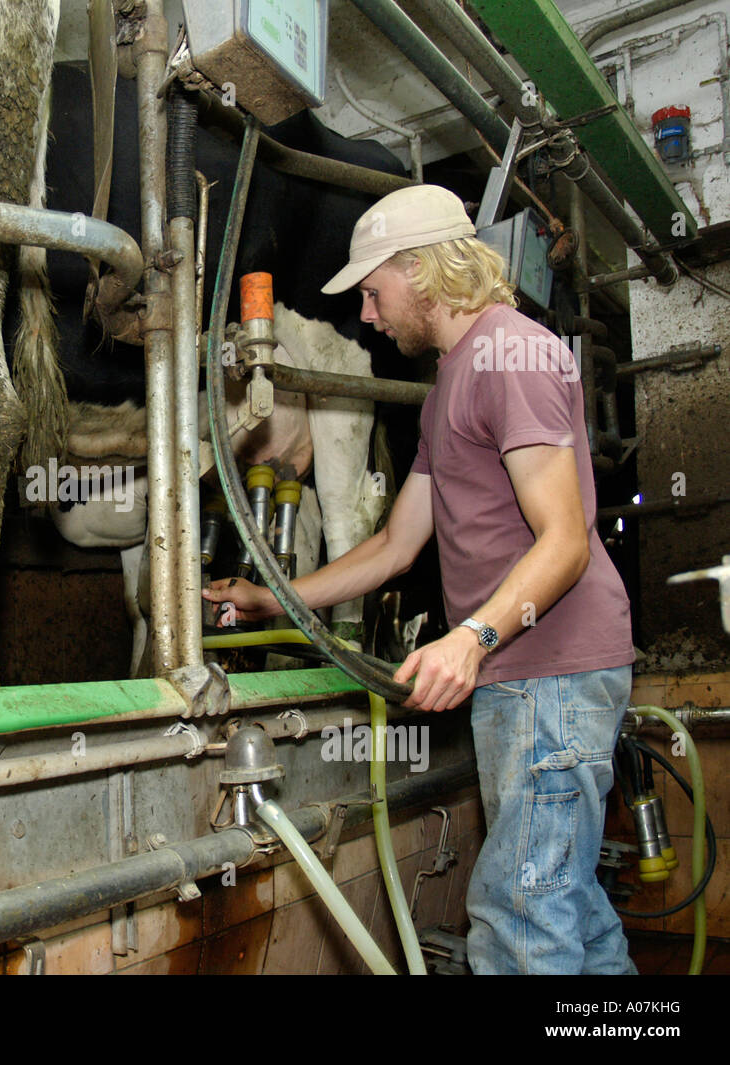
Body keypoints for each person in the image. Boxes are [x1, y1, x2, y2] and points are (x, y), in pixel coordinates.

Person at [203, 184, 636, 975]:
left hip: (554, 673)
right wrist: (276, 595)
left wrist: (471, 637)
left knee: (520, 917)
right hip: (527, 675)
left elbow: (567, 540)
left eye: (373, 290)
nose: (367, 313)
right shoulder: (450, 386)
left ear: (422, 270)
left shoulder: (515, 352)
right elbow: (396, 545)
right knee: (570, 909)